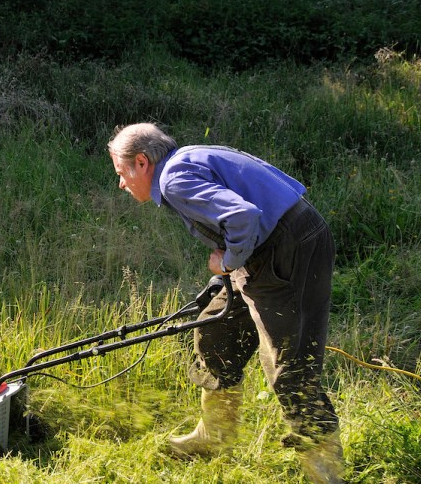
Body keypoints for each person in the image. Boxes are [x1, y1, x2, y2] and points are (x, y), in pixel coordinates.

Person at [107, 123, 343, 484]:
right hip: (274, 244)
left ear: (141, 162)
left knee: (289, 366)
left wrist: (229, 261)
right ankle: (214, 436)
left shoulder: (174, 179)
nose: (121, 183)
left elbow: (242, 216)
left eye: (121, 173)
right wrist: (231, 267)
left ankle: (326, 473)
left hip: (286, 249)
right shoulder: (186, 160)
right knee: (216, 329)